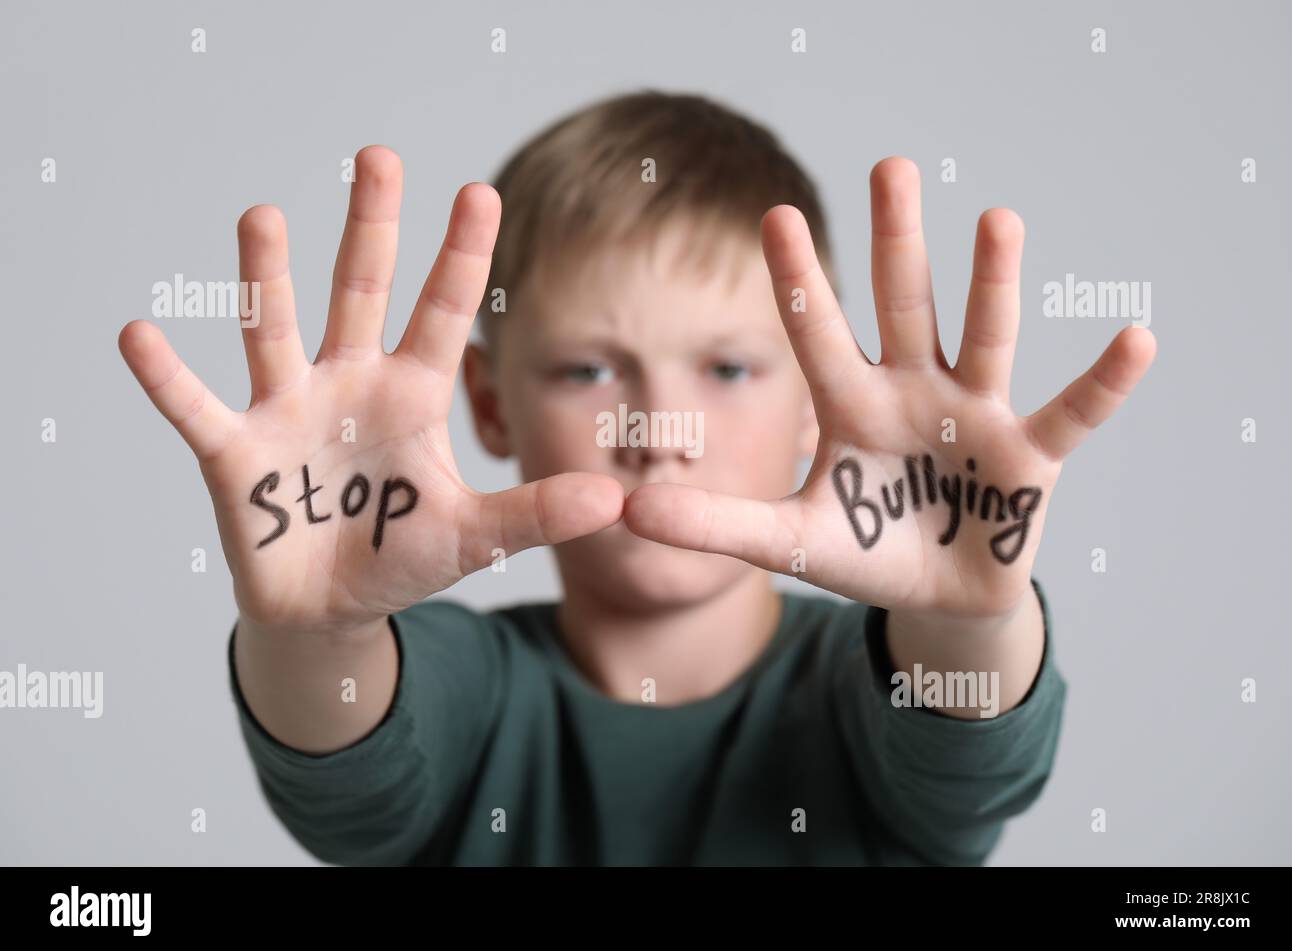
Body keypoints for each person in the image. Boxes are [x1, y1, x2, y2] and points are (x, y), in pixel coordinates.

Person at [117, 91, 1156, 865]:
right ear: (486, 403)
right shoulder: (466, 683)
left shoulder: (858, 684)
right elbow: (346, 784)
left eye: (729, 367)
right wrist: (314, 628)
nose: (658, 426)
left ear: (816, 405)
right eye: (587, 367)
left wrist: (972, 619)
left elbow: (969, 762)